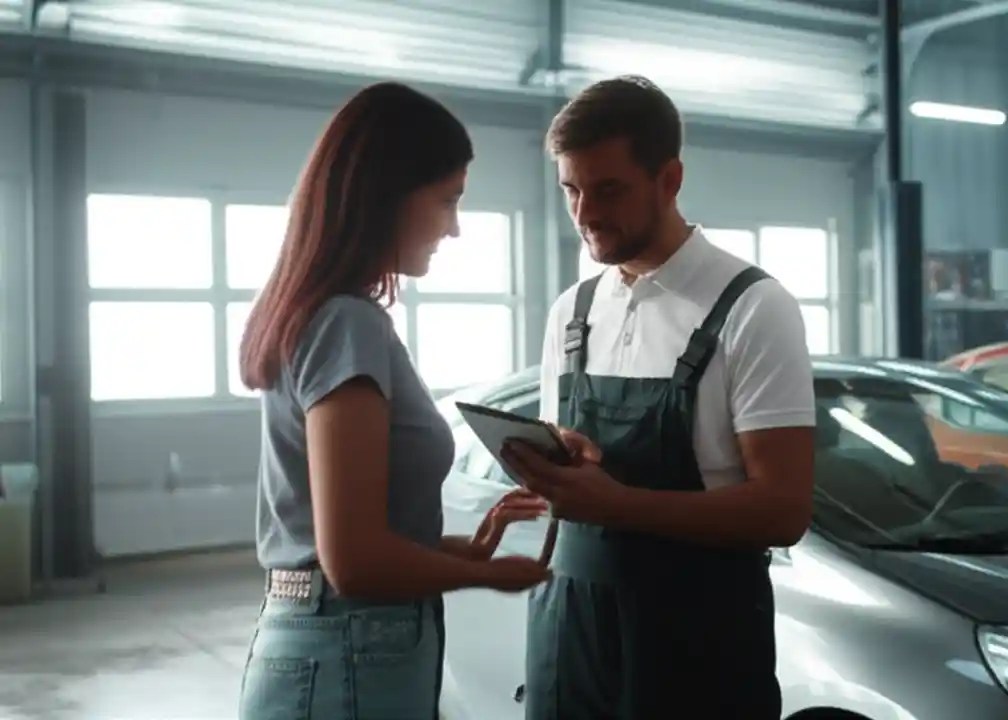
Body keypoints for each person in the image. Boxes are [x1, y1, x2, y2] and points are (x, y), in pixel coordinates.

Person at [501, 75, 817, 720]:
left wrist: (619, 504)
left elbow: (783, 510)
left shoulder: (753, 308)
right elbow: (574, 472)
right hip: (570, 631)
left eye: (608, 189)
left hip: (696, 643)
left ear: (669, 179)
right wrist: (554, 462)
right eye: (571, 190)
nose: (585, 214)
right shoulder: (573, 312)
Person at [236, 82, 551, 720]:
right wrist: (490, 576)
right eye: (447, 200)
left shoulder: (322, 314)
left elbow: (353, 542)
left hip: (329, 643)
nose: (453, 228)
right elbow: (353, 563)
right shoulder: (346, 323)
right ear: (386, 196)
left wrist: (468, 548)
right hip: (348, 653)